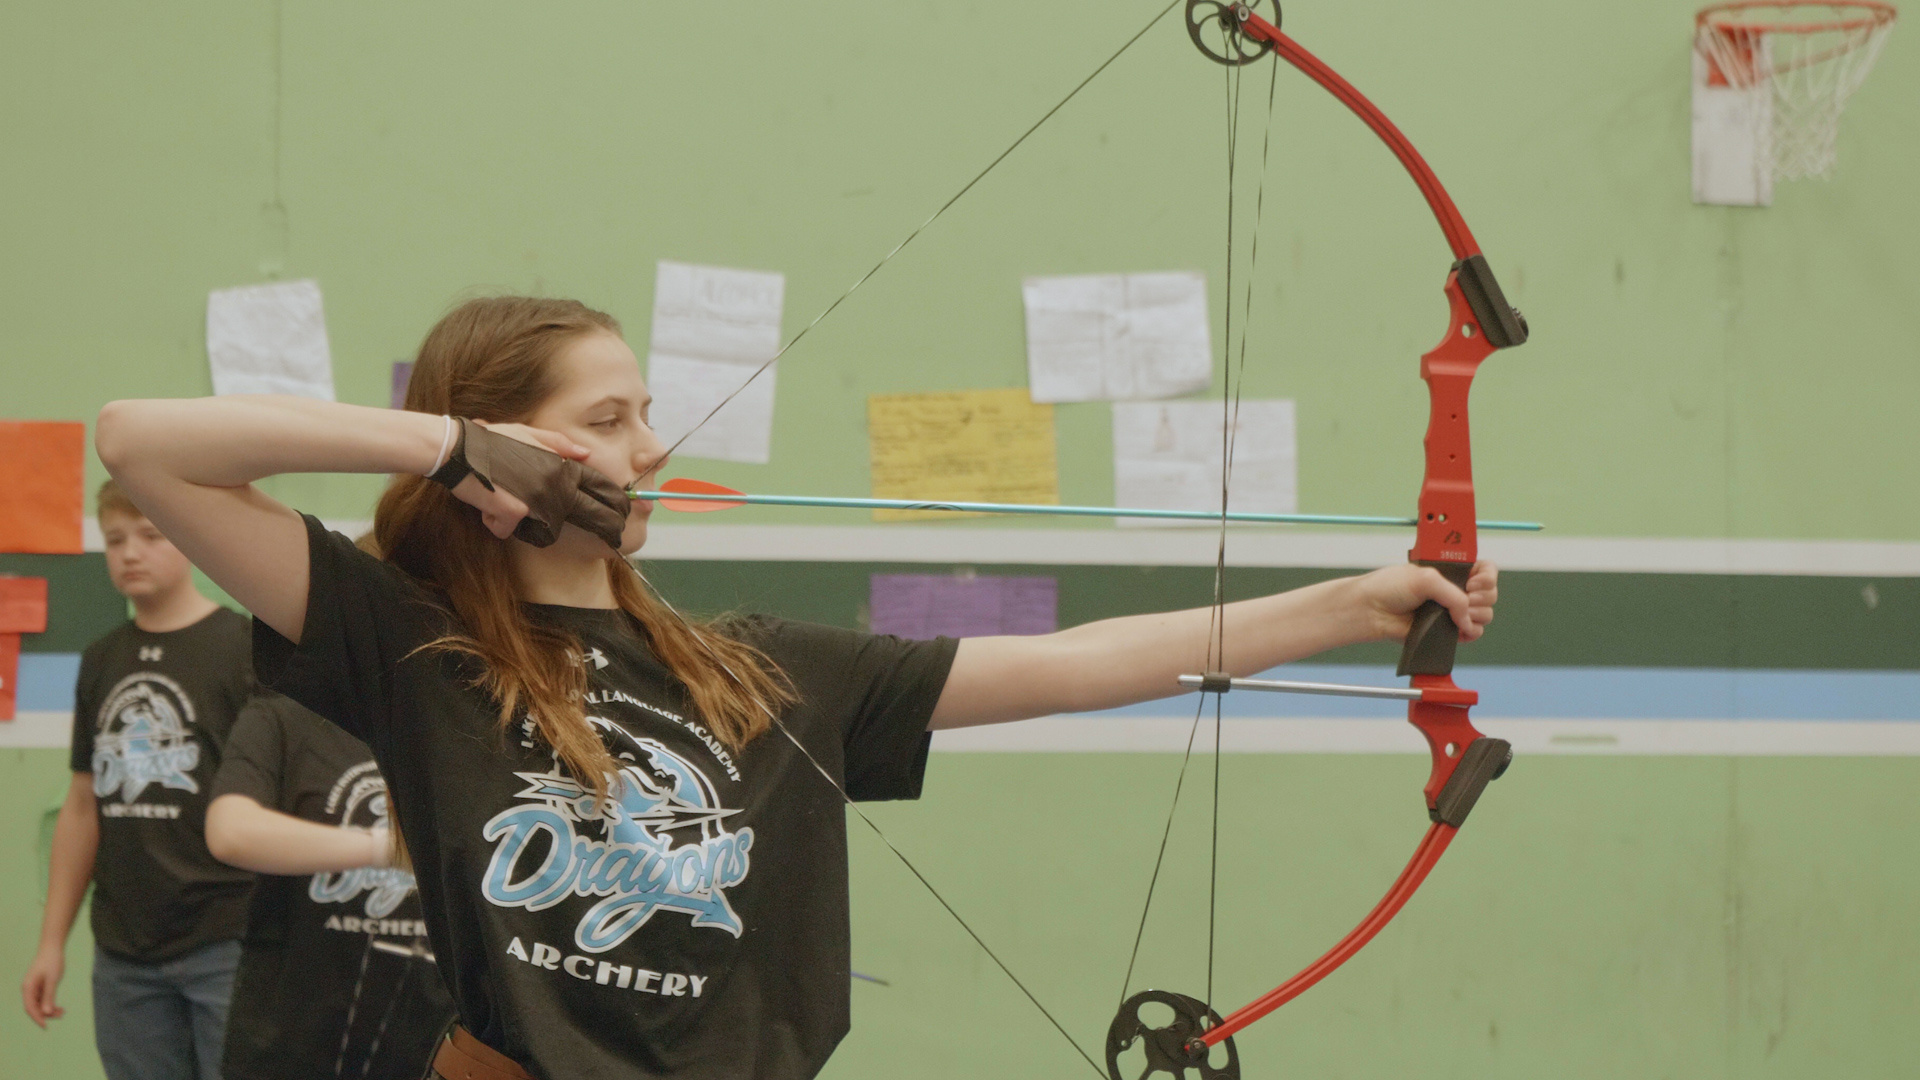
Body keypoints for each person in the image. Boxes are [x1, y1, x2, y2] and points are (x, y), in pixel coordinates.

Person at [94, 296, 1498, 1080]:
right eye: (607, 421)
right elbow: (141, 442)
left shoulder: (760, 667)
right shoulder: (407, 640)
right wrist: (443, 444)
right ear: (519, 453)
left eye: (647, 412)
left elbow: (1072, 665)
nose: (650, 446)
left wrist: (1353, 604)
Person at [21, 480, 257, 1080]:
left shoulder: (241, 647)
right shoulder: (101, 659)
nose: (130, 553)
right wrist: (51, 943)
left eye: (151, 535)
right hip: (124, 952)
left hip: (227, 939)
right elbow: (82, 805)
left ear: (188, 538)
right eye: (115, 539)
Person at [205, 690, 456, 1080]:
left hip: (430, 1042)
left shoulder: (460, 724)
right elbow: (230, 832)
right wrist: (386, 848)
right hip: (291, 1038)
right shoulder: (282, 717)